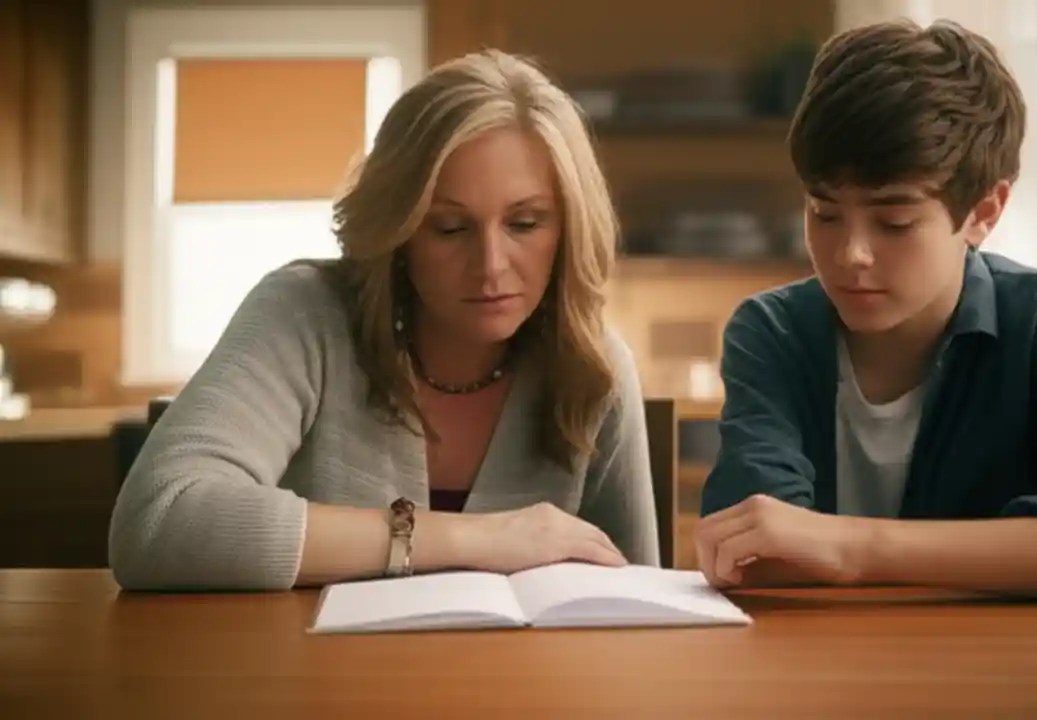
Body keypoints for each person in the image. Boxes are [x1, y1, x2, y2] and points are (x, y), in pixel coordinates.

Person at [696, 20, 1037, 604]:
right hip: (821, 676)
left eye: (895, 221)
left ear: (984, 211)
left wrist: (854, 547)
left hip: (1012, 676)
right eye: (824, 213)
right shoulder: (773, 331)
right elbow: (750, 548)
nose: (851, 254)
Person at [110, 50, 659, 590]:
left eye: (525, 223)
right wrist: (478, 539)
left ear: (568, 228)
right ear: (399, 230)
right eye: (449, 228)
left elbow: (644, 610)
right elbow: (160, 520)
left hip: (525, 684)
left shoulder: (595, 368)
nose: (491, 265)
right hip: (310, 679)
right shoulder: (305, 315)